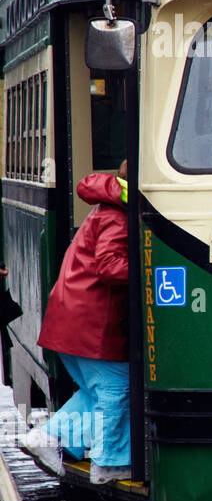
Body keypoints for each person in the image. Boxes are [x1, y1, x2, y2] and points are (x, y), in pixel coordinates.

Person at [20, 162, 131, 484]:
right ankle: (109, 463)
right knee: (116, 389)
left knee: (96, 390)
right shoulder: (118, 215)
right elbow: (110, 266)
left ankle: (49, 437)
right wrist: (153, 267)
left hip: (75, 320)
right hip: (93, 324)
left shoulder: (107, 207)